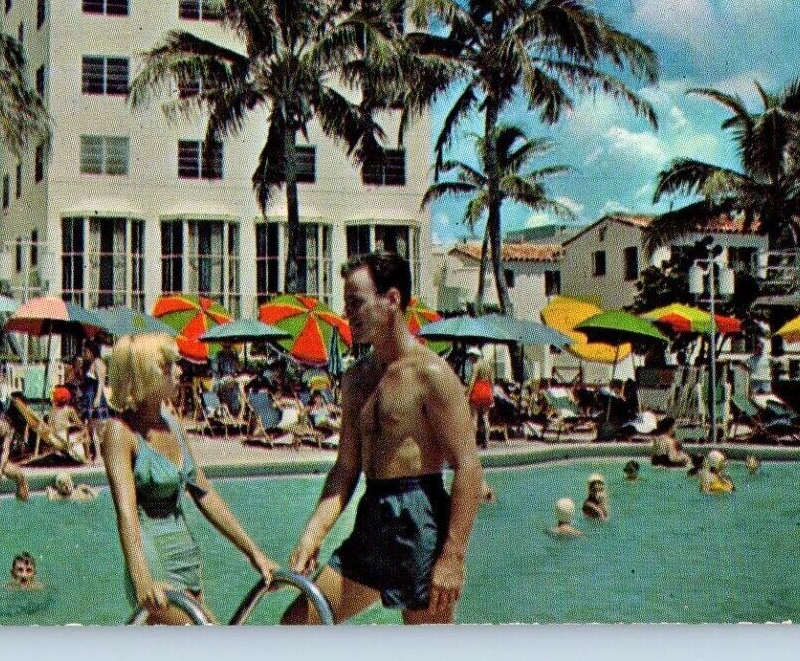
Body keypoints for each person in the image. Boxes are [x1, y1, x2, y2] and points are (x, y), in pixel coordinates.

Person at [283, 251, 482, 627]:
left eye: (356, 302)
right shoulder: (356, 379)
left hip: (419, 518)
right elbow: (345, 469)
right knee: (297, 624)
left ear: (392, 299)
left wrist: (452, 557)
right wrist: (313, 533)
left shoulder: (431, 374)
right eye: (346, 305)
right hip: (373, 517)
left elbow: (468, 467)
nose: (349, 314)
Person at [102, 333, 275, 625]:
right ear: (147, 374)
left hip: (187, 558)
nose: (179, 371)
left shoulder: (173, 423)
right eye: (169, 366)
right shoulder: (120, 432)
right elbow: (126, 512)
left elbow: (205, 493)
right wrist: (142, 579)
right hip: (153, 562)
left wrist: (254, 553)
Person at [48, 387, 89, 462]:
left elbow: (51, 423)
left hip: (52, 437)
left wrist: (69, 424)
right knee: (85, 431)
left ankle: (63, 453)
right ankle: (87, 458)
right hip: (63, 439)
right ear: (67, 399)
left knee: (75, 433)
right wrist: (84, 425)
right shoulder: (69, 410)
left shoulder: (52, 410)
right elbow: (79, 423)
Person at [467, 362, 495, 449]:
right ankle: (487, 442)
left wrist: (468, 394)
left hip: (477, 390)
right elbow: (492, 382)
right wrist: (492, 394)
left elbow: (472, 381)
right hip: (487, 390)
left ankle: (473, 442)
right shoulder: (488, 366)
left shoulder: (476, 365)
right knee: (485, 417)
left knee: (474, 418)